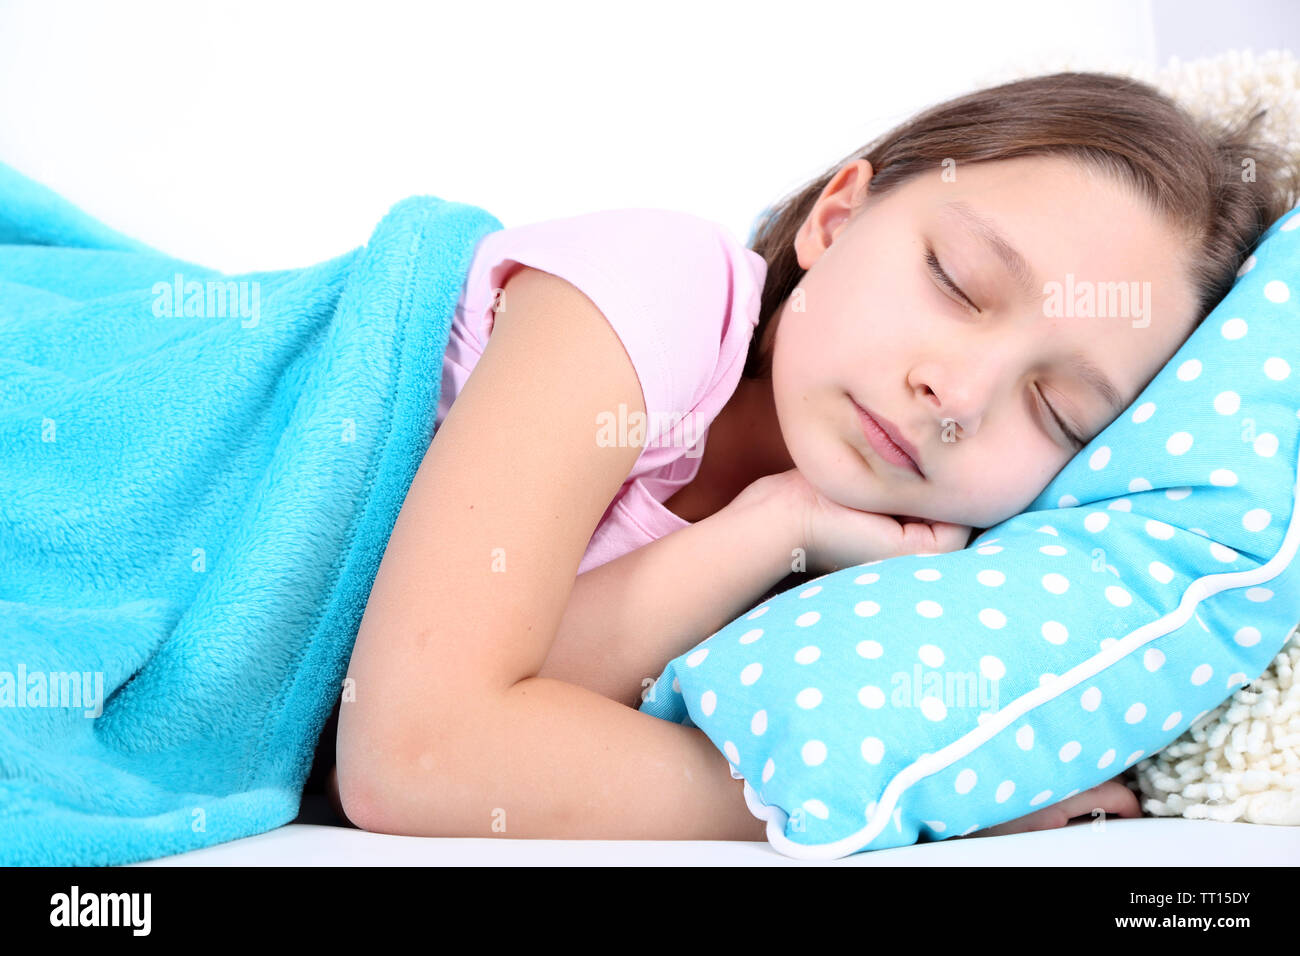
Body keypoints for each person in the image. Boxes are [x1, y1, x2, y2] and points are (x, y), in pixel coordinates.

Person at [318, 71, 1298, 846]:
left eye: (1057, 408)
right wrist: (879, 803)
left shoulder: (845, 593)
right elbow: (411, 750)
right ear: (837, 217)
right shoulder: (653, 290)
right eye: (957, 284)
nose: (956, 397)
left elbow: (484, 698)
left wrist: (768, 530)